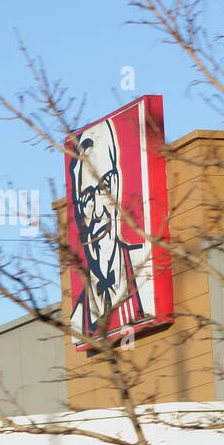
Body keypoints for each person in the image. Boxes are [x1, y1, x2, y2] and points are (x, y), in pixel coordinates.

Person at [68, 118, 146, 338]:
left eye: (104, 188)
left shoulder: (147, 275)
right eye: (86, 197)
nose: (97, 211)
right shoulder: (78, 319)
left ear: (118, 187)